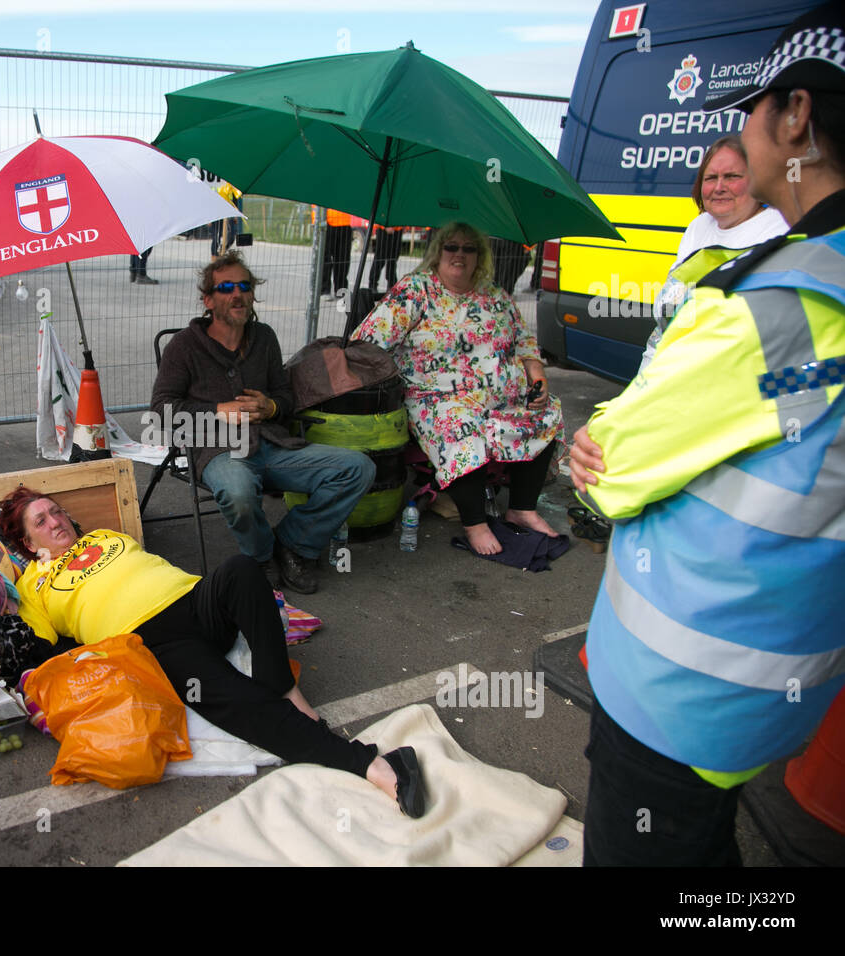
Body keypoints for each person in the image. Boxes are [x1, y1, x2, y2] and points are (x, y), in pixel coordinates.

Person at [570, 3, 845, 866]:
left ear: (796, 114)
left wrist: (612, 433)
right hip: (785, 670)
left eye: (751, 109)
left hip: (681, 690)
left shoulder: (776, 304)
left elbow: (615, 466)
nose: (738, 140)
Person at [0, 487, 426, 817]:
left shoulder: (106, 536)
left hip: (196, 600)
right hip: (152, 641)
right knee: (230, 700)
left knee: (241, 569)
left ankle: (283, 687)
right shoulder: (35, 586)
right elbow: (33, 649)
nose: (56, 520)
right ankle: (371, 765)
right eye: (41, 521)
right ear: (29, 544)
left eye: (56, 510)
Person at [150, 250, 375, 593]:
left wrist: (271, 407)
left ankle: (294, 544)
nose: (238, 293)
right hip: (220, 452)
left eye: (245, 285)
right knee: (238, 491)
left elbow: (285, 397)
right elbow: (162, 411)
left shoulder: (264, 337)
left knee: (358, 468)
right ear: (208, 300)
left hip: (275, 445)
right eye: (226, 287)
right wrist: (217, 411)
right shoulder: (184, 347)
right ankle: (260, 557)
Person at [351, 221, 565, 556]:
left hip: (501, 396)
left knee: (545, 413)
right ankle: (475, 523)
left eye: (469, 248)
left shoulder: (495, 295)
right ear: (438, 252)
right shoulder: (416, 290)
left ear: (480, 256)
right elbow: (366, 343)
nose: (460, 254)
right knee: (460, 428)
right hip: (438, 397)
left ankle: (522, 509)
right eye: (452, 247)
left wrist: (537, 375)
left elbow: (525, 341)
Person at [639, 136, 789, 370]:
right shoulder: (699, 227)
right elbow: (668, 311)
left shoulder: (779, 228)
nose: (719, 187)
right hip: (667, 372)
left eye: (732, 177)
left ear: (756, 180)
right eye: (710, 178)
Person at [318, 208, 354, 298]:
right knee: (326, 259)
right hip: (327, 224)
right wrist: (318, 221)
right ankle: (324, 290)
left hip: (345, 223)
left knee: (343, 259)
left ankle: (341, 290)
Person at [368, 224, 404, 294]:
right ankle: (372, 285)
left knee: (393, 260)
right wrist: (386, 226)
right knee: (380, 258)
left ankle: (391, 285)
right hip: (383, 227)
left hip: (397, 228)